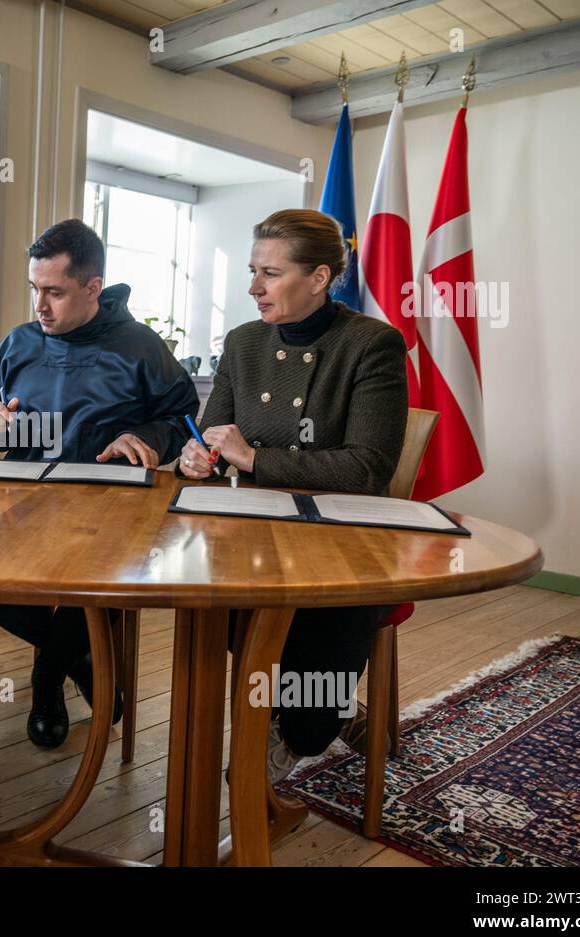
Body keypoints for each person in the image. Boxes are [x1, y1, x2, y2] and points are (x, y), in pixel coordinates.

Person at [178, 208, 408, 783]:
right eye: (253, 271)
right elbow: (214, 433)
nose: (252, 287)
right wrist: (196, 457)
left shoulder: (373, 344)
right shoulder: (243, 342)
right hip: (254, 533)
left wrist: (255, 458)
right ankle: (301, 712)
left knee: (309, 709)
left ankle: (309, 720)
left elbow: (368, 467)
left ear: (321, 277)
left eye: (270, 274)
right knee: (206, 613)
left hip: (345, 543)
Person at [0, 218, 200, 750]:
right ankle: (85, 661)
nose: (39, 306)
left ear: (93, 288)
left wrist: (142, 435)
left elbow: (181, 418)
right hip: (24, 502)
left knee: (90, 594)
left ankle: (46, 682)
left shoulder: (141, 347)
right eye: (35, 290)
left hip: (110, 512)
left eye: (54, 292)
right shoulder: (19, 343)